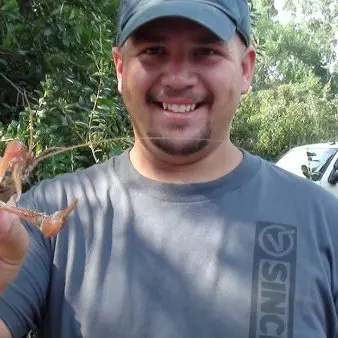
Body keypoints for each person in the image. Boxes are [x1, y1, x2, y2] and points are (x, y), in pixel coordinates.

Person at [1, 0, 338, 337]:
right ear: (119, 68)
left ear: (245, 68)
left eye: (206, 52)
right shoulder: (42, 215)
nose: (178, 79)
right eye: (154, 50)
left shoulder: (324, 222)